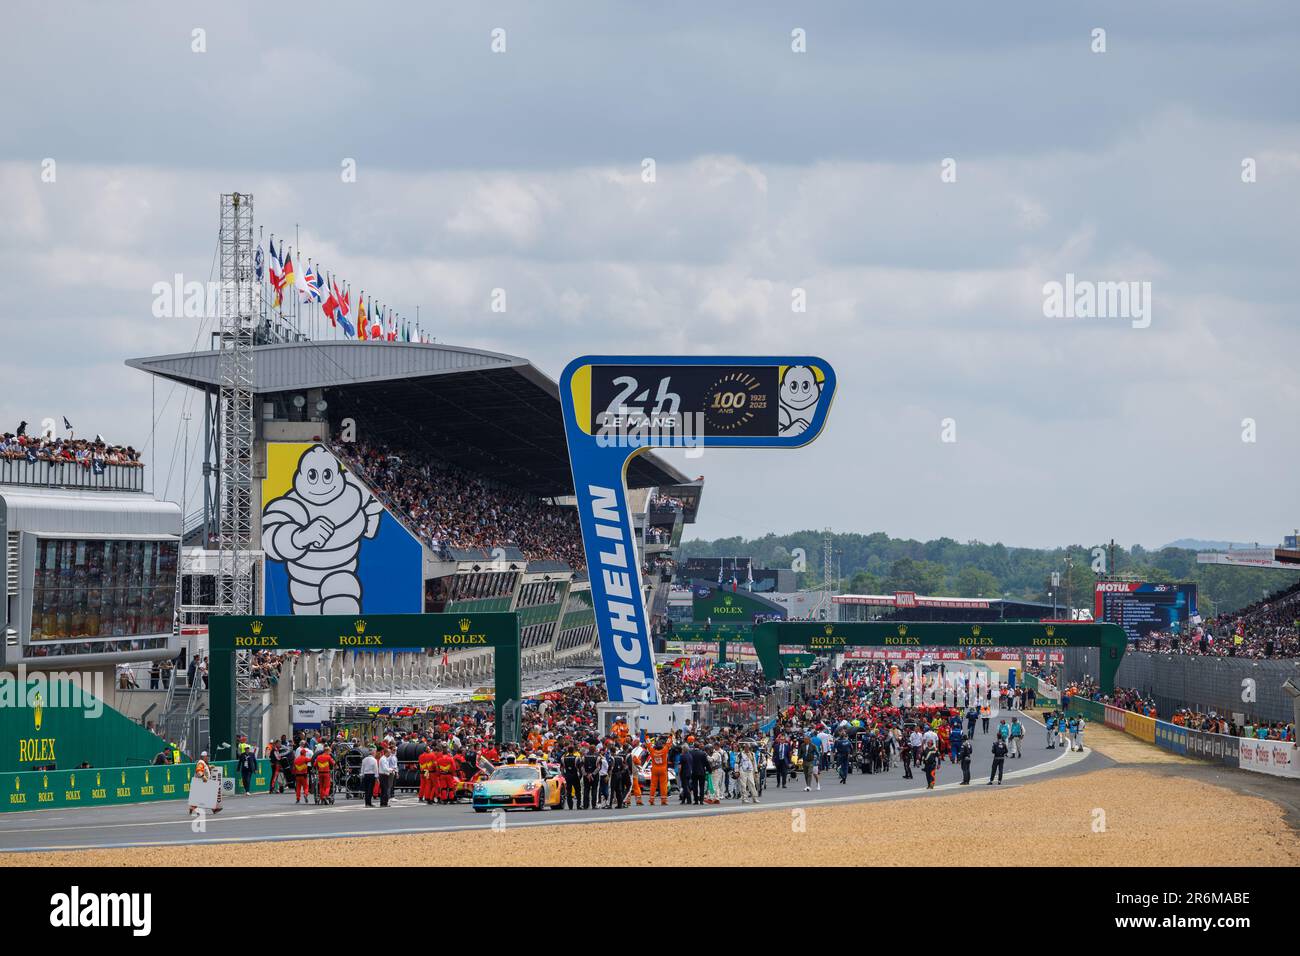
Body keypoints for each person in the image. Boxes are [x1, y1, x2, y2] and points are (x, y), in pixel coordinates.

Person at [647, 737, 670, 806]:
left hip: (655, 769)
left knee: (653, 785)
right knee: (663, 785)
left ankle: (651, 800)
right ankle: (663, 801)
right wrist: (670, 736)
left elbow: (648, 744)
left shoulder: (652, 751)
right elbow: (668, 744)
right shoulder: (664, 750)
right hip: (663, 769)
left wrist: (647, 736)